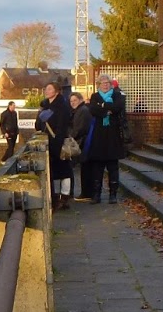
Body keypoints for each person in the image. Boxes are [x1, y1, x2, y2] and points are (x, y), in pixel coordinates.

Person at [84, 73, 129, 203]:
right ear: (98, 85)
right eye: (102, 83)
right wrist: (107, 110)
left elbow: (117, 108)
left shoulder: (117, 95)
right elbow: (93, 109)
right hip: (99, 136)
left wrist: (102, 106)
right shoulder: (94, 96)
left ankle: (113, 194)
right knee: (97, 167)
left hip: (113, 135)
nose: (105, 85)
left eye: (107, 83)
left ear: (110, 84)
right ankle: (96, 194)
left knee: (113, 167)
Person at [36, 80, 73, 210]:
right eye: (46, 88)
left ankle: (64, 197)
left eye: (50, 89)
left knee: (63, 170)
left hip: (58, 142)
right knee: (50, 171)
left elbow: (62, 126)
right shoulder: (45, 106)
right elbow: (38, 124)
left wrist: (57, 142)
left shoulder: (62, 106)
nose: (47, 91)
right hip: (47, 142)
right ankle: (52, 197)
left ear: (56, 91)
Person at [68, 92, 93, 201]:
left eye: (75, 100)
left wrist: (71, 137)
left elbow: (79, 128)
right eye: (71, 101)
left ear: (80, 100)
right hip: (83, 142)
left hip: (83, 143)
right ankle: (86, 192)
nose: (73, 103)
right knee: (84, 168)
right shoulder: (81, 110)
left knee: (86, 168)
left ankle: (87, 193)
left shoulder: (82, 111)